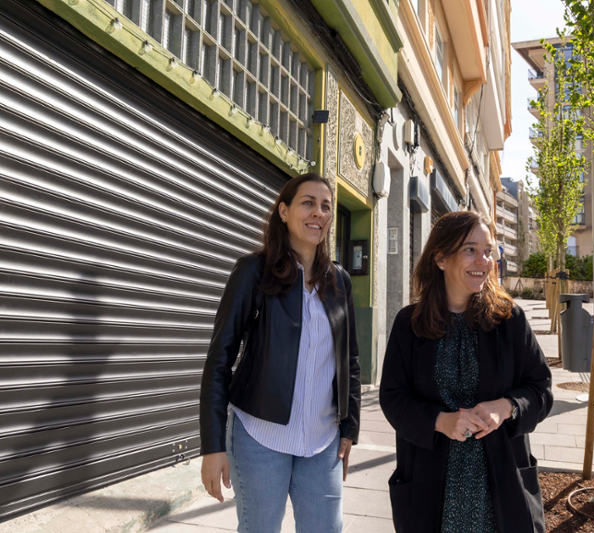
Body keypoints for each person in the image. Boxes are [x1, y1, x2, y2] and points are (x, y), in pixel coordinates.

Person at [199, 173, 360, 533]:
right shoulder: (252, 272)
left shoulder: (339, 282)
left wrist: (350, 428)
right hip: (259, 437)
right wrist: (212, 446)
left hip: (323, 441)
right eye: (308, 203)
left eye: (326, 206)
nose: (318, 212)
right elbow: (219, 359)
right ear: (284, 212)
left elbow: (349, 360)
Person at [380, 211, 553, 533]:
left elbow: (541, 389)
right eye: (470, 250)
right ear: (441, 258)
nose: (483, 260)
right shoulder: (409, 323)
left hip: (501, 484)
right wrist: (441, 421)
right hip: (432, 488)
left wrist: (507, 407)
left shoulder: (509, 318)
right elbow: (392, 398)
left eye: (488, 251)